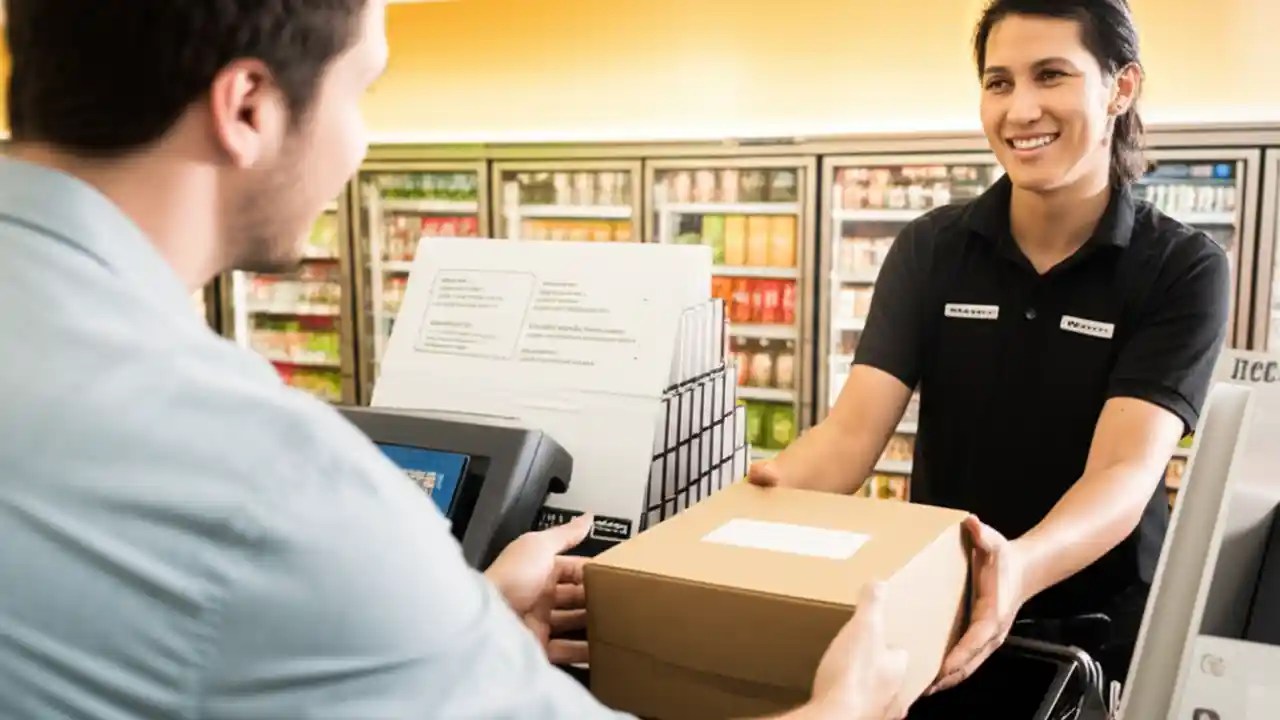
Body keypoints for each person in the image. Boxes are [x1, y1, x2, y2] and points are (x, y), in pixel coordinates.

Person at [0, 1, 915, 718]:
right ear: (246, 107)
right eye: (362, 92)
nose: (357, 144)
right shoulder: (274, 477)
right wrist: (847, 704)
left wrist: (456, 619)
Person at [751, 0, 1230, 694]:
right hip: (935, 614)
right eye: (999, 82)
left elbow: (1122, 473)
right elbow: (850, 434)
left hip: (1092, 643)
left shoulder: (1181, 268)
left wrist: (1019, 566)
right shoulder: (931, 249)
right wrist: (747, 505)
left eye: (1051, 75)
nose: (1020, 109)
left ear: (1120, 88)